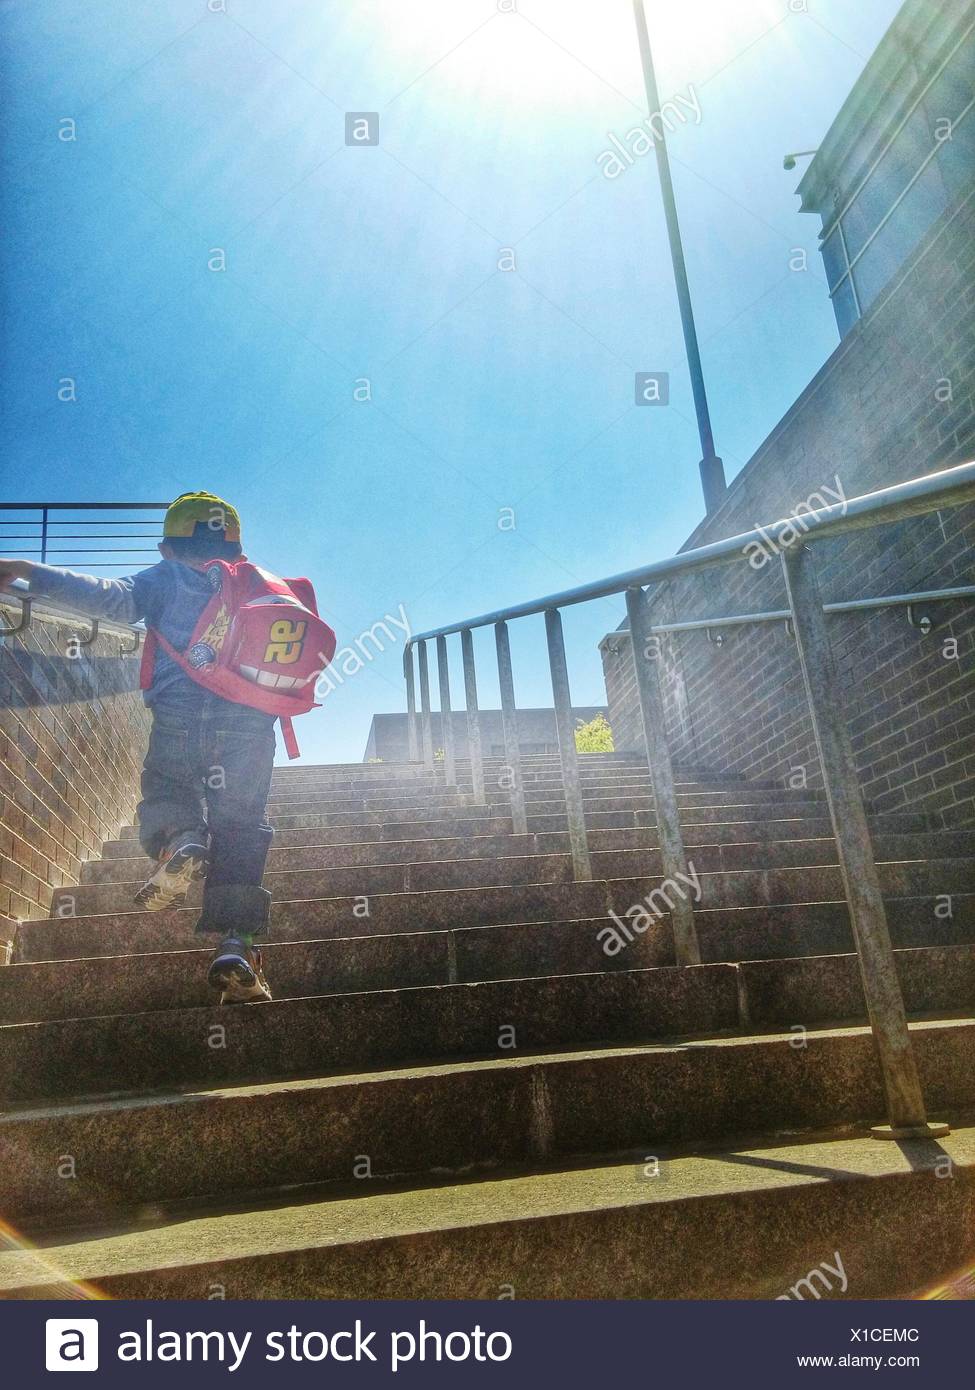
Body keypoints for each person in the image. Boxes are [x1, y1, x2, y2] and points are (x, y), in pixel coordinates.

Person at [0, 491, 278, 1004]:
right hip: (252, 724)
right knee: (241, 826)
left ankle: (181, 838)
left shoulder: (165, 577)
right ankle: (236, 944)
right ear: (237, 548)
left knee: (168, 789)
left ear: (166, 547)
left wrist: (23, 569)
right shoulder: (258, 586)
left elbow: (110, 596)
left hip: (181, 716)